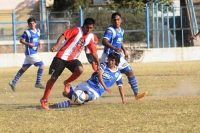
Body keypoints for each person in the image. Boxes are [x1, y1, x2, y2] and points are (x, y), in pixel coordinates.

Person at [40, 18, 100, 109]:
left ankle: (67, 82)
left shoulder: (90, 37)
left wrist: (98, 63)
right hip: (61, 57)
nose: (88, 30)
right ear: (83, 26)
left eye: (91, 28)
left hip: (72, 59)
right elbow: (63, 36)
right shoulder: (76, 30)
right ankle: (44, 99)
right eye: (87, 27)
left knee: (80, 69)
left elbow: (94, 51)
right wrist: (57, 45)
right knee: (53, 79)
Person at [49, 52, 124, 108]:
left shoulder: (118, 74)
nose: (109, 61)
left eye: (112, 60)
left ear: (116, 62)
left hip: (96, 91)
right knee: (66, 93)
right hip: (87, 84)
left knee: (80, 98)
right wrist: (105, 87)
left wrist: (123, 100)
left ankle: (55, 105)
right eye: (109, 59)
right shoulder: (104, 65)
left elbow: (120, 87)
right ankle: (72, 96)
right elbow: (99, 75)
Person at [100, 12, 147, 99]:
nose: (116, 21)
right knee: (104, 77)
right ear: (112, 21)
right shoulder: (110, 30)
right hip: (109, 58)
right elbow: (104, 41)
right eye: (114, 20)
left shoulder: (121, 30)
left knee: (130, 72)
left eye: (118, 19)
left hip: (118, 57)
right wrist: (114, 48)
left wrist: (125, 51)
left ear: (121, 20)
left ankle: (136, 94)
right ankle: (90, 92)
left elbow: (120, 41)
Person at [9, 17, 45, 91]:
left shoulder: (38, 31)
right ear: (28, 25)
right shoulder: (27, 32)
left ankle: (13, 82)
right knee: (42, 65)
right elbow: (21, 40)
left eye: (33, 23)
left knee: (23, 69)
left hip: (32, 53)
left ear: (35, 23)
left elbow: (37, 39)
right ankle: (38, 82)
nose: (32, 24)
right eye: (30, 23)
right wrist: (29, 44)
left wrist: (39, 43)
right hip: (30, 53)